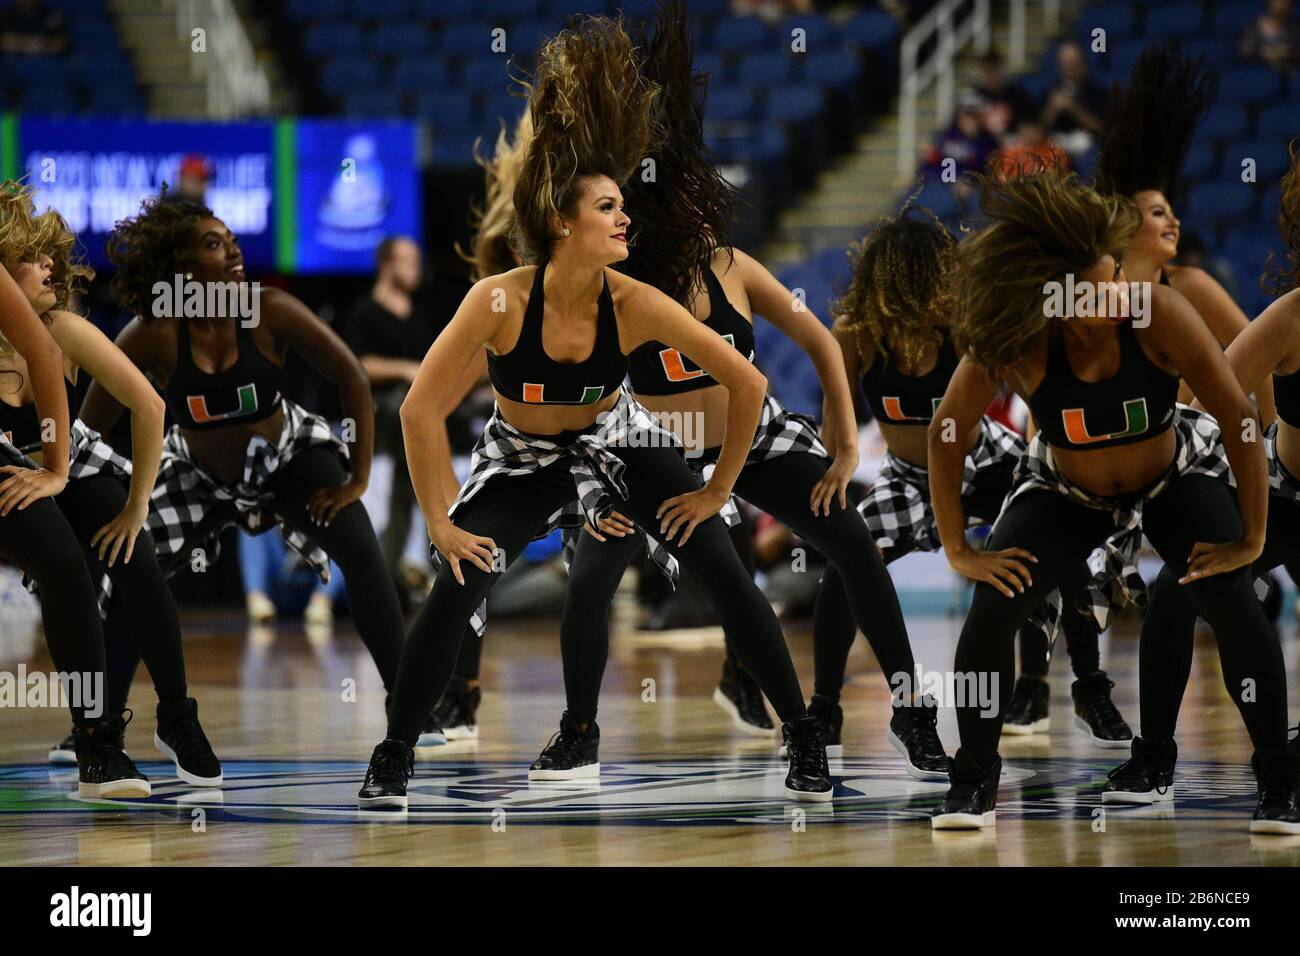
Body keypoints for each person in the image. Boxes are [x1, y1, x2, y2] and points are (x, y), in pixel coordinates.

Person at [357, 15, 831, 809]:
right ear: (560, 223)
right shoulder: (499, 300)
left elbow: (748, 386)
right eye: (607, 208)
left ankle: (804, 739)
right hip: (524, 454)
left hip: (618, 440)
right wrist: (440, 522)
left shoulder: (635, 301)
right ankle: (396, 751)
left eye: (623, 207)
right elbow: (418, 411)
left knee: (722, 566)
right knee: (458, 580)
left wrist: (716, 491)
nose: (624, 221)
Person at [524, 2, 940, 782]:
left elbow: (820, 341)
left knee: (852, 543)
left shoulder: (729, 266)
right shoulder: (618, 281)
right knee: (590, 580)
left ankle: (910, 715)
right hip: (653, 450)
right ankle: (580, 729)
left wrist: (844, 443)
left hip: (751, 438)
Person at [927, 169, 1290, 833]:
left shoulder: (1155, 311)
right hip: (1066, 486)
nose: (1114, 295)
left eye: (1115, 276)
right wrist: (959, 548)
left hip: (1172, 471)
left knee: (1231, 595)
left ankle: (1278, 780)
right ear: (1054, 294)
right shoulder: (1020, 337)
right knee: (992, 608)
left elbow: (1238, 417)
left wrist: (1253, 536)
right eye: (1097, 286)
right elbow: (946, 435)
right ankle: (974, 779)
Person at [82, 190, 418, 727]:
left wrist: (356, 477)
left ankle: (409, 706)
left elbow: (351, 376)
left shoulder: (268, 310)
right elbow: (88, 428)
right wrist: (62, 482)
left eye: (233, 242)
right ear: (181, 268)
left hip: (285, 458)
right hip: (196, 472)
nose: (233, 253)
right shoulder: (153, 332)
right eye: (215, 245)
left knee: (362, 550)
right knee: (131, 568)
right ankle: (98, 728)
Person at [813, 200, 1131, 757]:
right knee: (843, 570)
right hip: (909, 476)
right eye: (934, 279)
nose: (947, 289)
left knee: (1055, 550)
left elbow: (1038, 388)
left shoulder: (962, 331)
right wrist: (836, 465)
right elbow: (833, 421)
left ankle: (1084, 687)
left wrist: (1051, 451)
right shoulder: (855, 333)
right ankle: (829, 708)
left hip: (981, 460)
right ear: (903, 285)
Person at [1100, 143, 1300, 832]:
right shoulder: (1292, 316)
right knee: (1178, 588)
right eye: (1156, 211)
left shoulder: (1187, 289)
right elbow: (1214, 399)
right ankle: (1156, 756)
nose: (1174, 221)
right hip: (1285, 495)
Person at [0, 185, 221, 786]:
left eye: (54, 257)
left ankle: (175, 714)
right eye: (32, 255)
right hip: (10, 471)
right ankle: (91, 734)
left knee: (136, 555)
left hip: (65, 461)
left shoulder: (63, 330)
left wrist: (135, 506)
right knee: (60, 560)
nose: (50, 266)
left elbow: (148, 406)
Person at [0, 249, 146, 798]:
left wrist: (56, 470)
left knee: (65, 562)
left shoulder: (57, 325)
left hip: (50, 457)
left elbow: (41, 348)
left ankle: (96, 741)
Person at [342, 236, 440, 588]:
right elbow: (358, 366)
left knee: (408, 498)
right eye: (408, 260)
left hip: (423, 420)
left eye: (418, 260)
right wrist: (404, 369)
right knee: (391, 504)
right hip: (380, 421)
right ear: (386, 264)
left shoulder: (422, 316)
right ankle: (385, 576)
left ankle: (405, 571)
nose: (416, 268)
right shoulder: (364, 312)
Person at [1040, 41, 1107, 162]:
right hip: (1056, 145)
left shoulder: (1099, 93)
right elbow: (1039, 131)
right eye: (1064, 62)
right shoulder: (1049, 93)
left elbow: (1103, 129)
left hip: (1088, 146)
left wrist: (1074, 108)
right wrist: (1052, 110)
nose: (1069, 66)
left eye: (1073, 61)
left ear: (1083, 62)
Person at [1240, 0, 1300, 73]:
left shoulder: (1296, 27)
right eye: (1278, 2)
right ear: (1269, 3)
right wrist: (1265, 53)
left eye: (1286, 3)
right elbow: (1246, 52)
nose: (1281, 6)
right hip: (1259, 72)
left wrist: (1287, 52)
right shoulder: (1254, 27)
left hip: (1290, 71)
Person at [0, 0, 68, 57]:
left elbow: (62, 41)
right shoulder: (4, 15)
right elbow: (3, 41)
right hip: (12, 60)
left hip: (45, 59)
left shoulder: (51, 14)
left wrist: (43, 45)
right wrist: (26, 44)